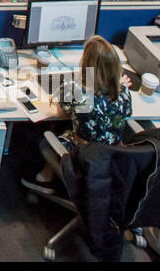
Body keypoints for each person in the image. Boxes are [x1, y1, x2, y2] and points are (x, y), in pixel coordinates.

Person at [23, 35, 133, 193]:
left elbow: (60, 112)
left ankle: (44, 179)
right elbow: (126, 113)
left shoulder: (75, 90)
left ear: (85, 64)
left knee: (47, 140)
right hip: (112, 157)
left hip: (84, 155)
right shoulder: (124, 92)